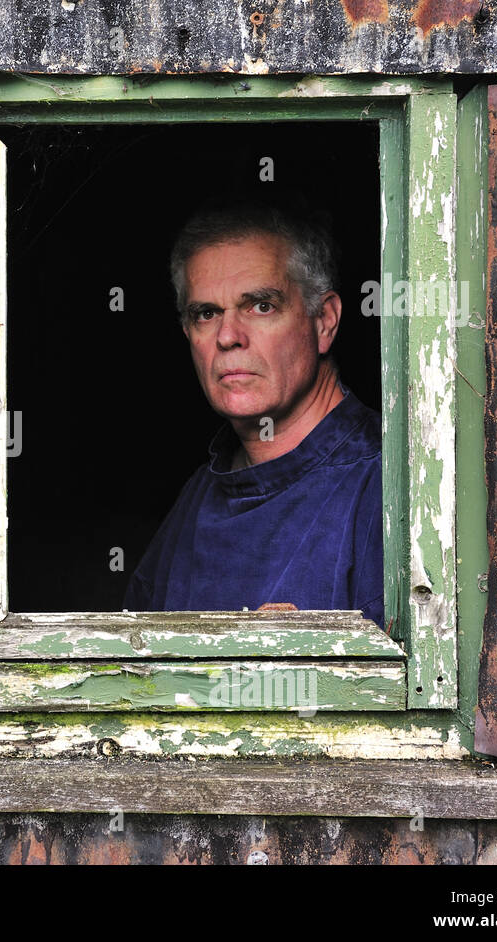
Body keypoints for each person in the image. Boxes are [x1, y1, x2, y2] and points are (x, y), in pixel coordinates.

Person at [123, 201, 386, 631]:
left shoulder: (389, 488)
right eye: (206, 314)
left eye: (260, 306)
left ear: (324, 321)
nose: (228, 336)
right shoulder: (197, 497)